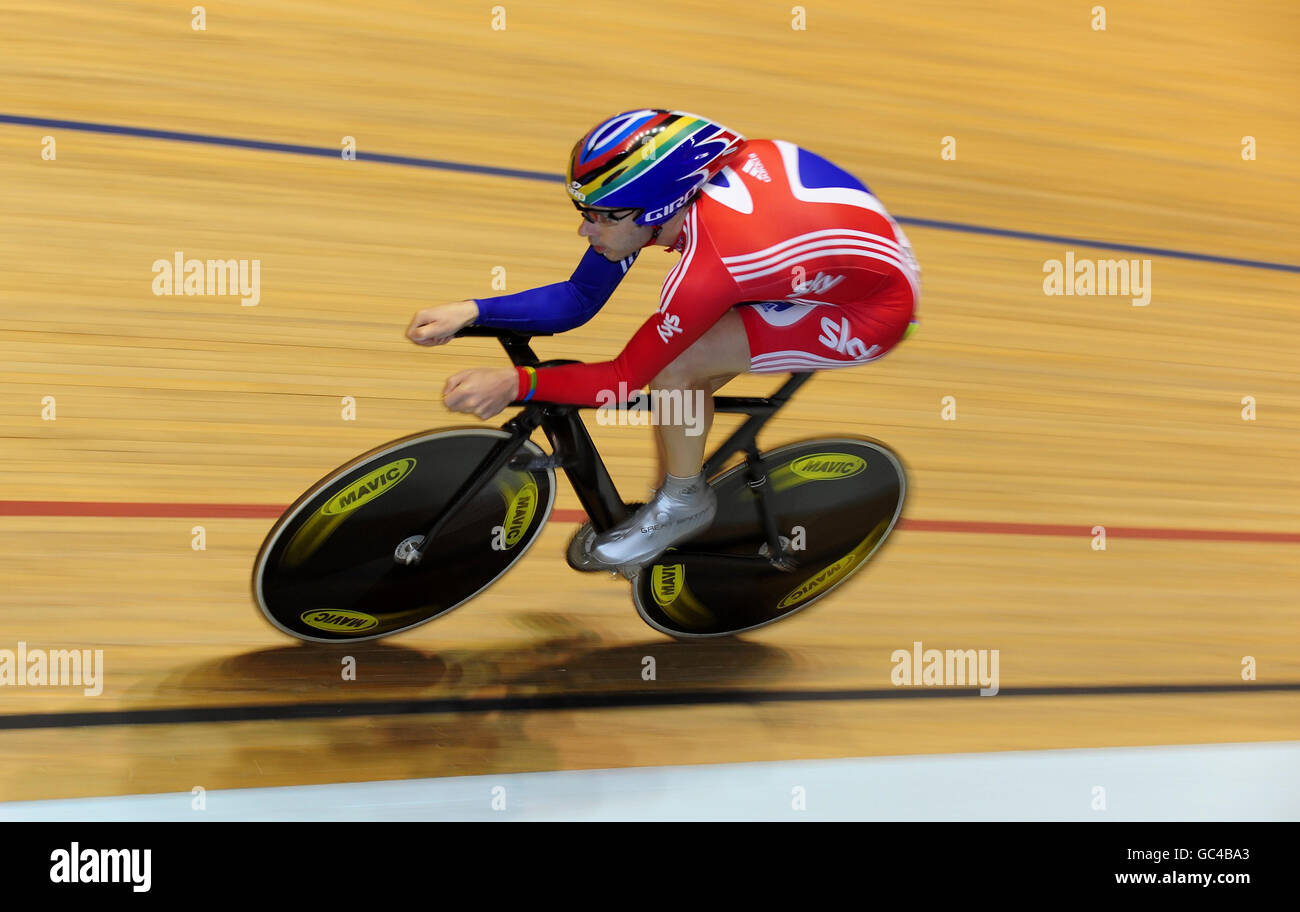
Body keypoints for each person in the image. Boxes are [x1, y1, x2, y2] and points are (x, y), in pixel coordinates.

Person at [406, 109, 919, 573]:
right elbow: (579, 300)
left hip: (866, 310)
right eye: (585, 209)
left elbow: (622, 379)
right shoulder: (661, 198)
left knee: (678, 370)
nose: (586, 229)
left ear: (658, 209)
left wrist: (515, 382)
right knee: (690, 363)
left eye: (603, 216)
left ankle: (683, 503)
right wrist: (474, 310)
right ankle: (688, 456)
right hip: (803, 255)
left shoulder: (711, 267)